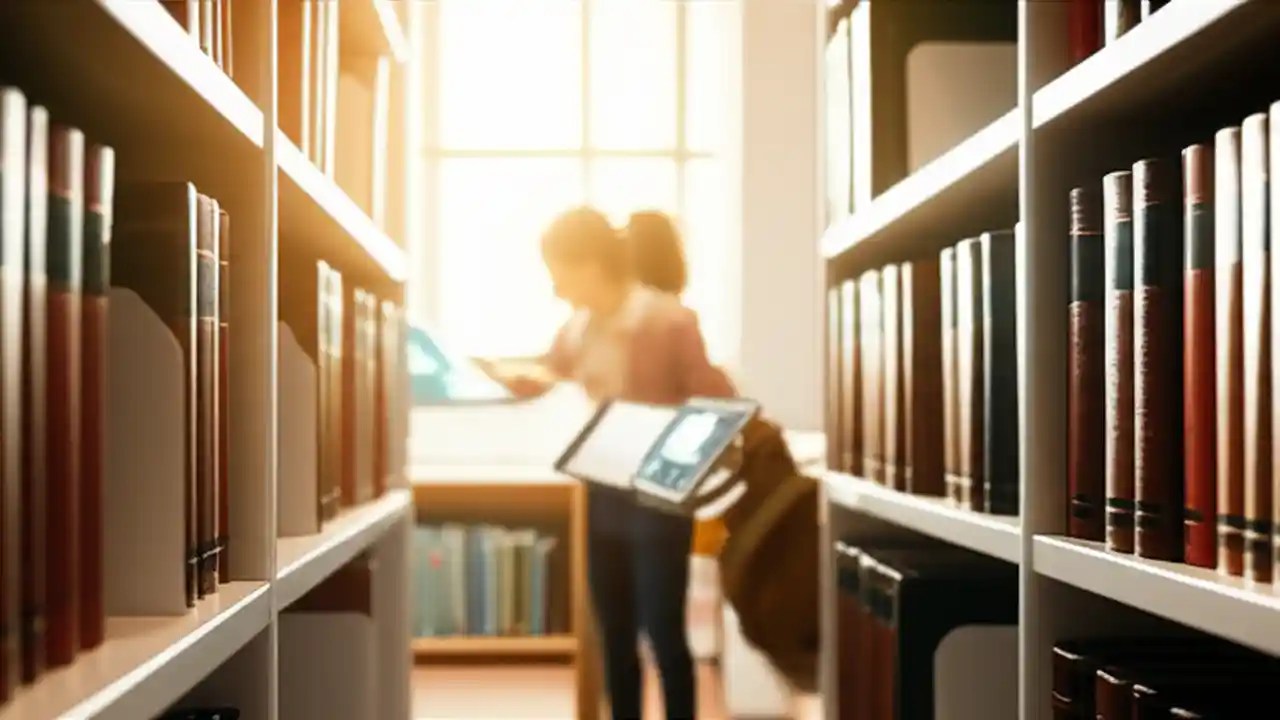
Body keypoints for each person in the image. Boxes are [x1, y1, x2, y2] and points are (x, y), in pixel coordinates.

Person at [490, 206, 733, 720]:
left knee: (663, 631)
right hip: (603, 494)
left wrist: (672, 461)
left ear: (589, 264)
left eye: (557, 268)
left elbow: (717, 401)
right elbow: (548, 370)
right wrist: (493, 373)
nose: (554, 285)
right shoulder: (578, 326)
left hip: (655, 496)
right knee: (613, 635)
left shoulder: (666, 319)